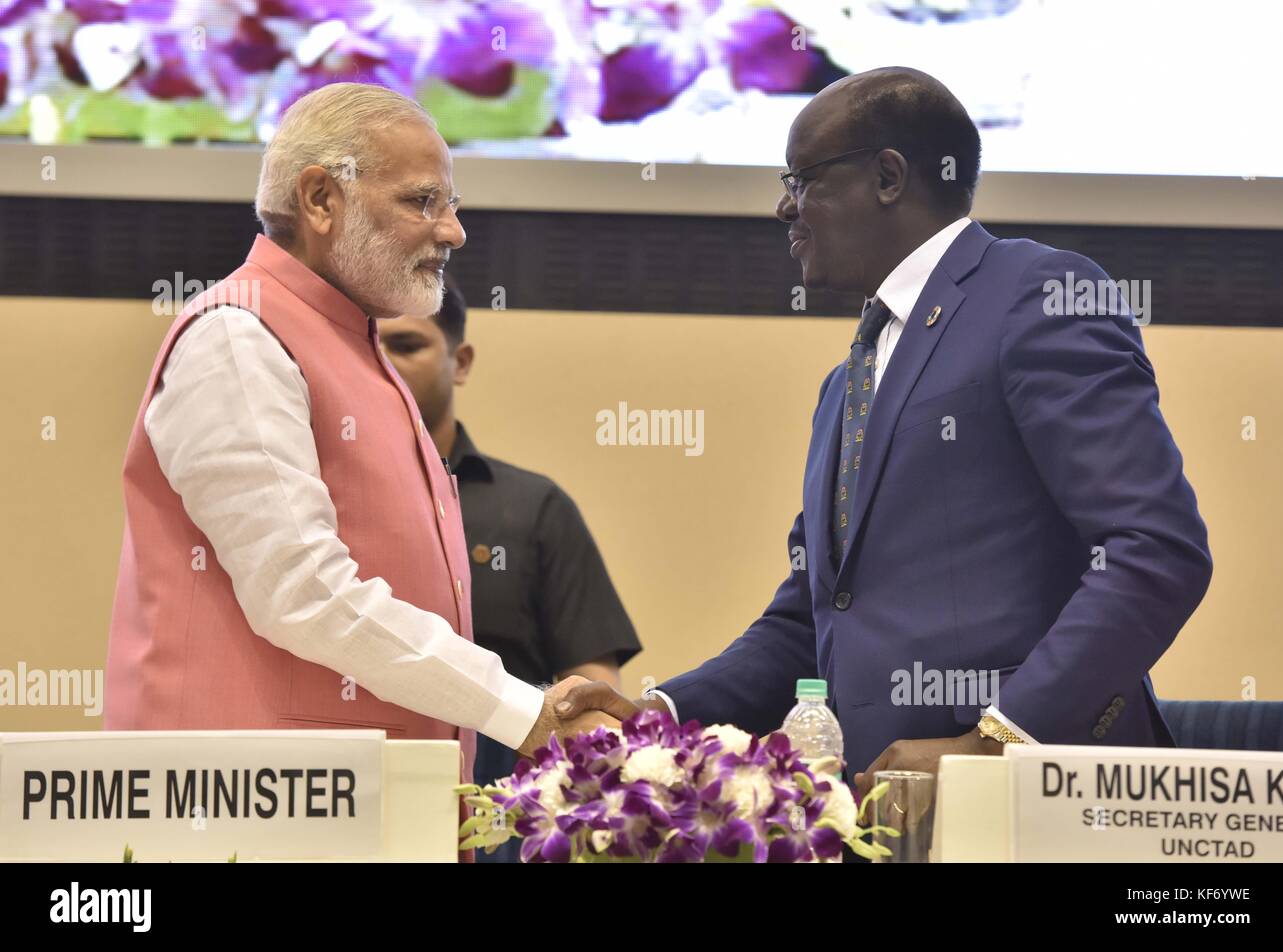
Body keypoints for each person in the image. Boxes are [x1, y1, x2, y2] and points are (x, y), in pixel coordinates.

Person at [557, 67, 1212, 800]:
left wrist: (994, 744)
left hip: (1042, 806)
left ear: (889, 177)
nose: (783, 207)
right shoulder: (846, 384)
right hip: (882, 812)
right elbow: (812, 615)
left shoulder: (1035, 297)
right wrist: (658, 715)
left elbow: (1156, 551)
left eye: (801, 179)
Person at [104, 84, 612, 838]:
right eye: (424, 201)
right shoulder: (238, 337)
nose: (454, 231)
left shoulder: (355, 341)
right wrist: (522, 711)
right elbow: (301, 589)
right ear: (319, 199)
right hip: (243, 824)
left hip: (347, 817)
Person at [378, 279, 642, 861]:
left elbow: (589, 691)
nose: (386, 368)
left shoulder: (533, 508)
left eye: (405, 345)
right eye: (370, 350)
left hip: (509, 817)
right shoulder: (321, 507)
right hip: (355, 803)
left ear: (460, 360)